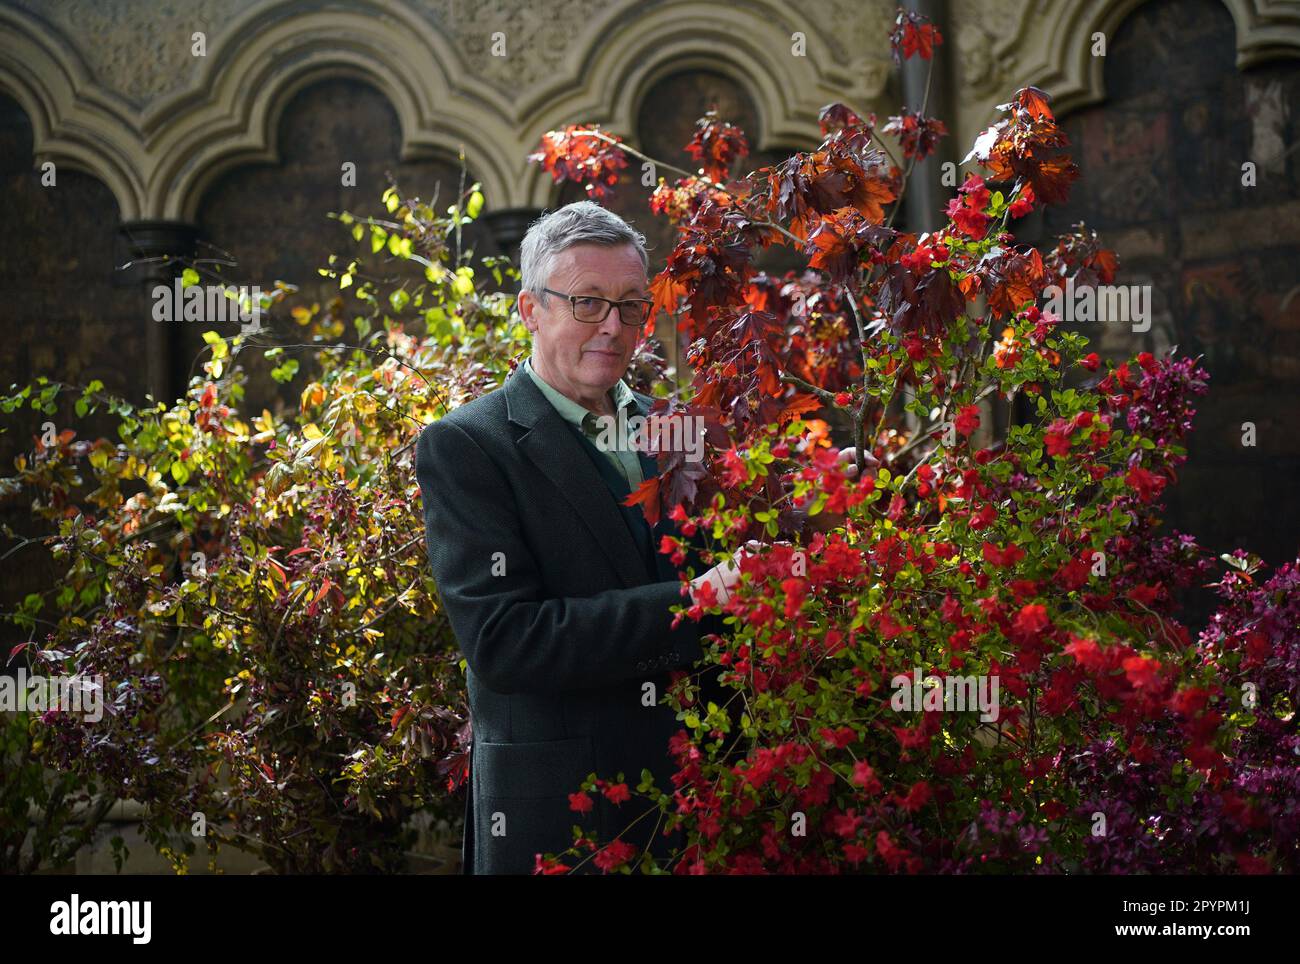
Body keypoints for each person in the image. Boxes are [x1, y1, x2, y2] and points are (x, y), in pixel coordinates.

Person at [415, 200, 871, 875]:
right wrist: (698, 599)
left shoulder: (681, 430)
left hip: (703, 802)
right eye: (587, 302)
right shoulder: (468, 446)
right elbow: (505, 644)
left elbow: (732, 574)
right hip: (562, 817)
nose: (613, 326)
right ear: (529, 309)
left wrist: (803, 516)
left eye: (631, 305)